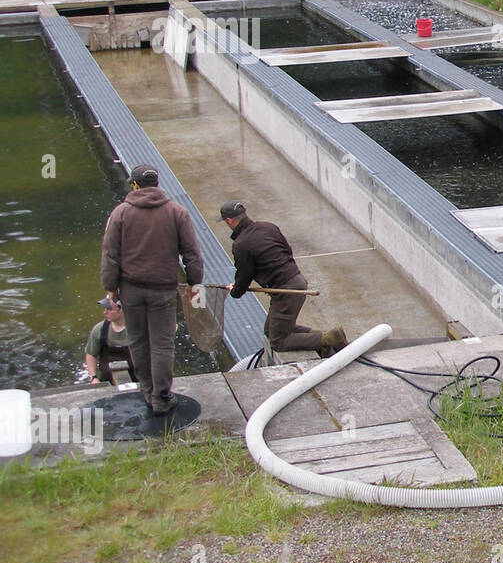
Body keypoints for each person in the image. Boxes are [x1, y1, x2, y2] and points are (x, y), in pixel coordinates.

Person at [101, 163, 203, 415]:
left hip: (131, 290)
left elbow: (110, 255)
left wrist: (110, 289)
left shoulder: (120, 213)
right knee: (162, 342)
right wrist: (194, 282)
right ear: (156, 183)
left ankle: (147, 390)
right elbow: (191, 253)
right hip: (163, 290)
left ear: (133, 185)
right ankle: (162, 396)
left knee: (137, 341)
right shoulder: (176, 212)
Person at [219, 200, 347, 358]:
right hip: (297, 280)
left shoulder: (241, 244)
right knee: (270, 331)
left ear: (229, 221)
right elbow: (287, 250)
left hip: (286, 291)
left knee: (278, 341)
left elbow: (244, 275)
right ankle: (325, 336)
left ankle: (327, 339)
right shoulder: (268, 227)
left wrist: (235, 291)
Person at [84, 295, 135, 385]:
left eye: (109, 309)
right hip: (107, 380)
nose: (104, 313)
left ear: (121, 310)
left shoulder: (140, 329)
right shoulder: (99, 329)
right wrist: (94, 377)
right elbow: (91, 354)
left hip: (139, 379)